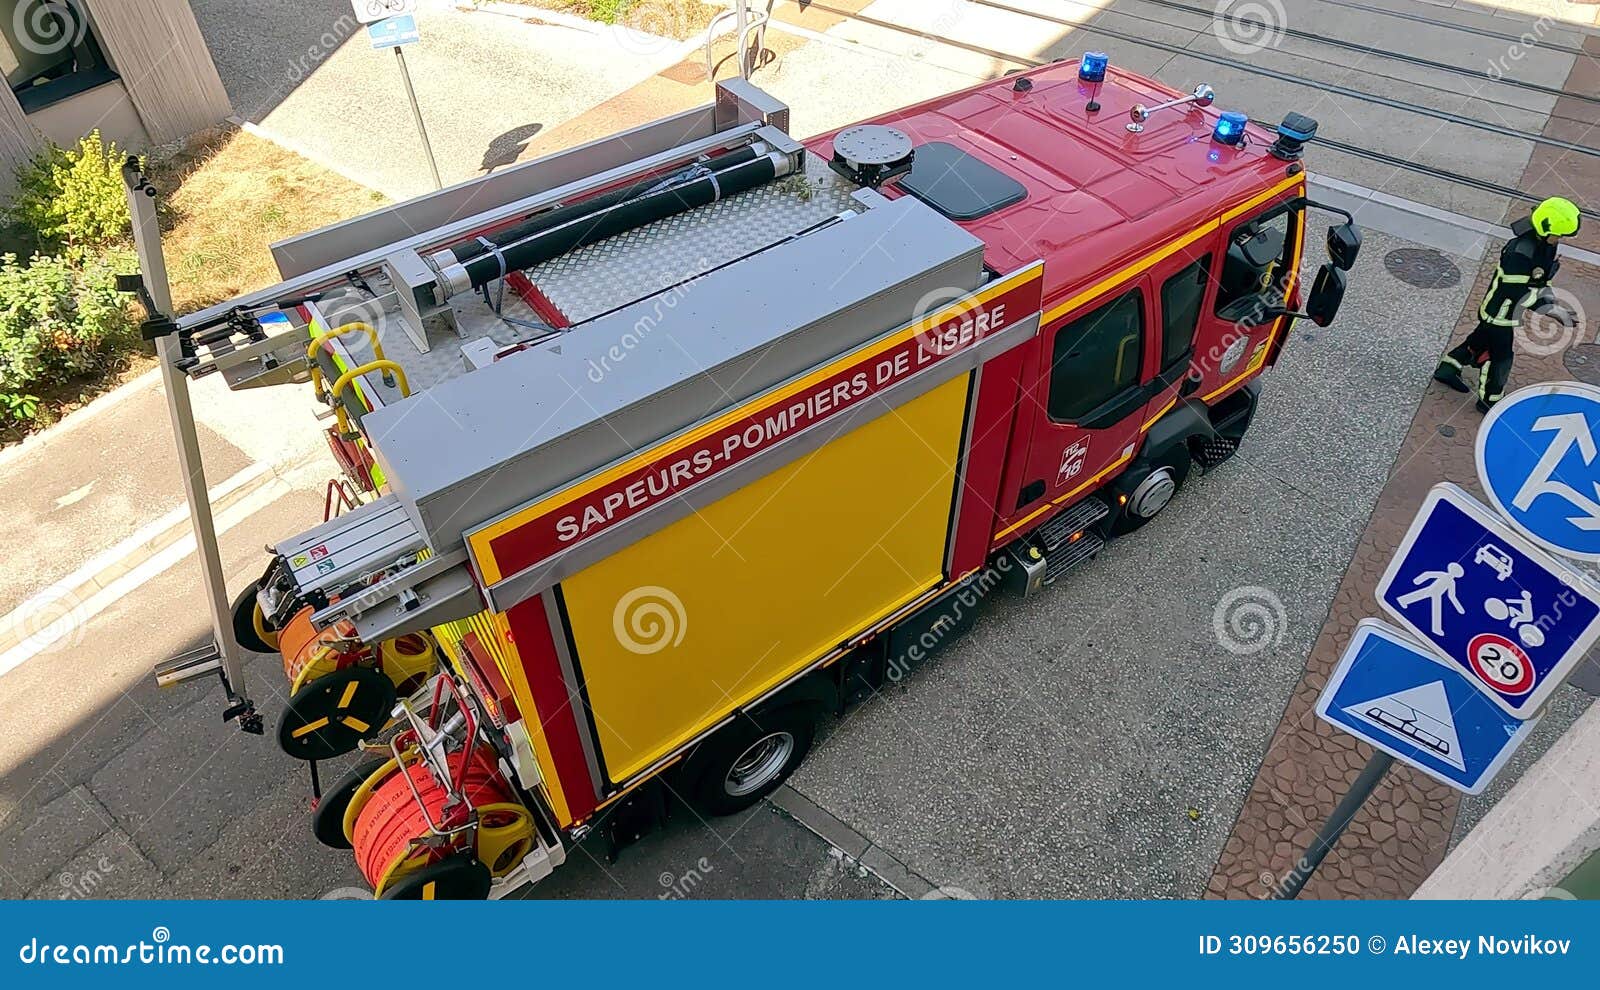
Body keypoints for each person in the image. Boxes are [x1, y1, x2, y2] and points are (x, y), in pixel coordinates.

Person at [1433, 196, 1582, 411]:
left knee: (1479, 340)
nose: (1559, 239)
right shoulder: (1520, 252)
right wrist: (1550, 310)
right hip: (1500, 313)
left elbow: (1539, 279)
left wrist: (1550, 300)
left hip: (1507, 311)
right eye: (1558, 234)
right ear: (1546, 228)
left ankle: (1448, 367)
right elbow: (1516, 291)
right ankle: (1490, 400)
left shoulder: (1544, 244)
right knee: (1500, 358)